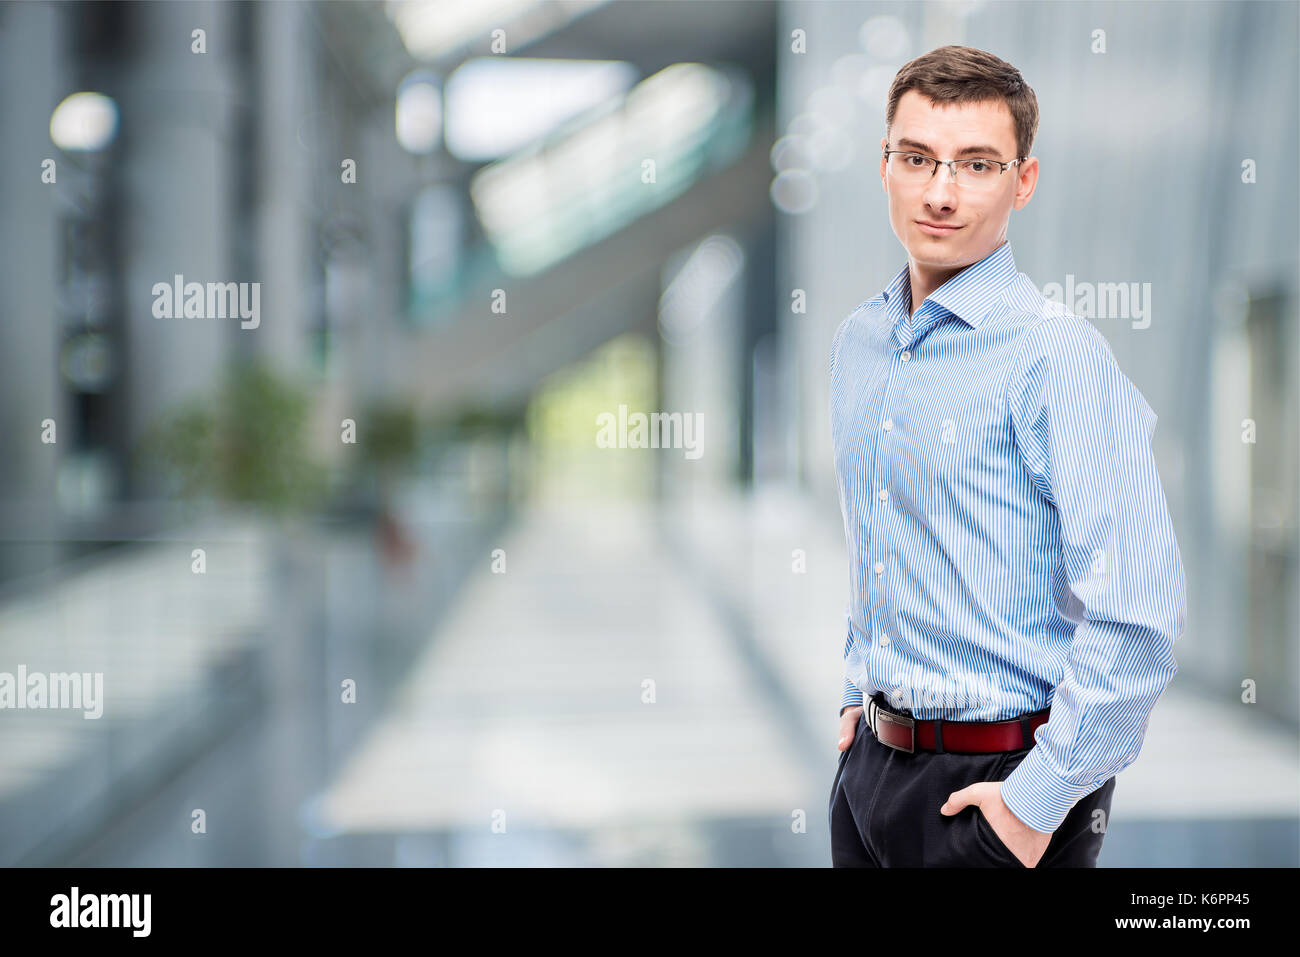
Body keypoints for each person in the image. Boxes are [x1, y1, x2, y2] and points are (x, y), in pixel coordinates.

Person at [827, 45, 1186, 867]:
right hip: (871, 774)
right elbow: (882, 544)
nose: (941, 192)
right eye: (917, 158)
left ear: (1022, 181)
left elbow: (1138, 612)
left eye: (977, 164)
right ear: (885, 165)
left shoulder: (1056, 356)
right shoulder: (859, 345)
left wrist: (1035, 804)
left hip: (1001, 786)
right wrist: (858, 696)